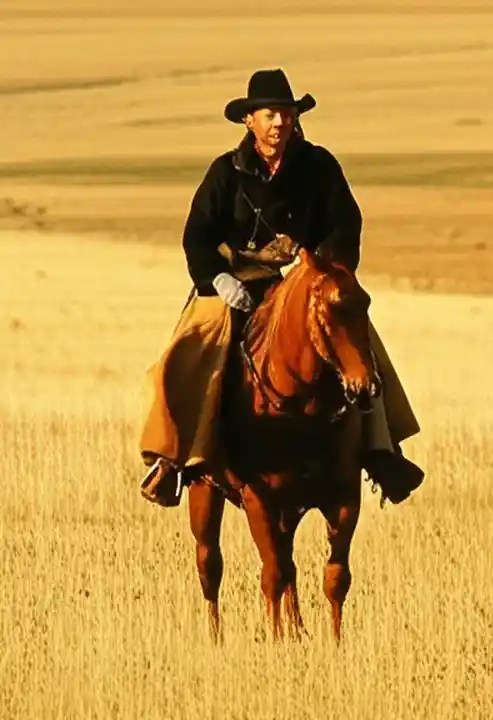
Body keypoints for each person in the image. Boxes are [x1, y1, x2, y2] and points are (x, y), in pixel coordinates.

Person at [137, 68, 424, 506]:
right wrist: (218, 279)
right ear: (249, 121)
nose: (279, 123)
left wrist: (321, 270)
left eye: (286, 114)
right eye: (269, 115)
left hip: (306, 280)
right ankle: (173, 458)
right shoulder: (225, 172)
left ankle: (382, 450)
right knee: (187, 353)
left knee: (361, 344)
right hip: (234, 282)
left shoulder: (320, 166)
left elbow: (346, 224)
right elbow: (196, 235)